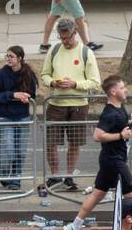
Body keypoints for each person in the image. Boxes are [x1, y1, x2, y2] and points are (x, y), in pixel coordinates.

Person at [63, 74, 132, 230]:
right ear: (112, 91)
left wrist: (131, 125)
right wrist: (121, 135)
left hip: (111, 159)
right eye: (121, 87)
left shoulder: (120, 108)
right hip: (114, 160)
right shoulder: (109, 113)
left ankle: (75, 226)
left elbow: (121, 128)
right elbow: (97, 136)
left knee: (98, 193)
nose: (125, 89)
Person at [40, 17, 102, 194]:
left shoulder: (86, 52)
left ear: (75, 33)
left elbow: (95, 81)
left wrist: (75, 84)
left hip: (78, 105)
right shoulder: (53, 50)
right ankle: (54, 175)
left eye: (67, 37)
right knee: (51, 143)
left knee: (74, 143)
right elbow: (44, 75)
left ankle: (68, 176)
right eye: (61, 38)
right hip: (56, 103)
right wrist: (53, 83)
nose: (64, 41)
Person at [0, 45, 36, 190]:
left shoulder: (28, 73)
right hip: (6, 117)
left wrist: (27, 96)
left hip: (22, 116)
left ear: (19, 58)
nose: (8, 59)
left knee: (20, 151)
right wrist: (12, 95)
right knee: (8, 150)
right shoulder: (2, 73)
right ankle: (3, 173)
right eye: (7, 56)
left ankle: (16, 179)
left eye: (11, 56)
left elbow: (32, 93)